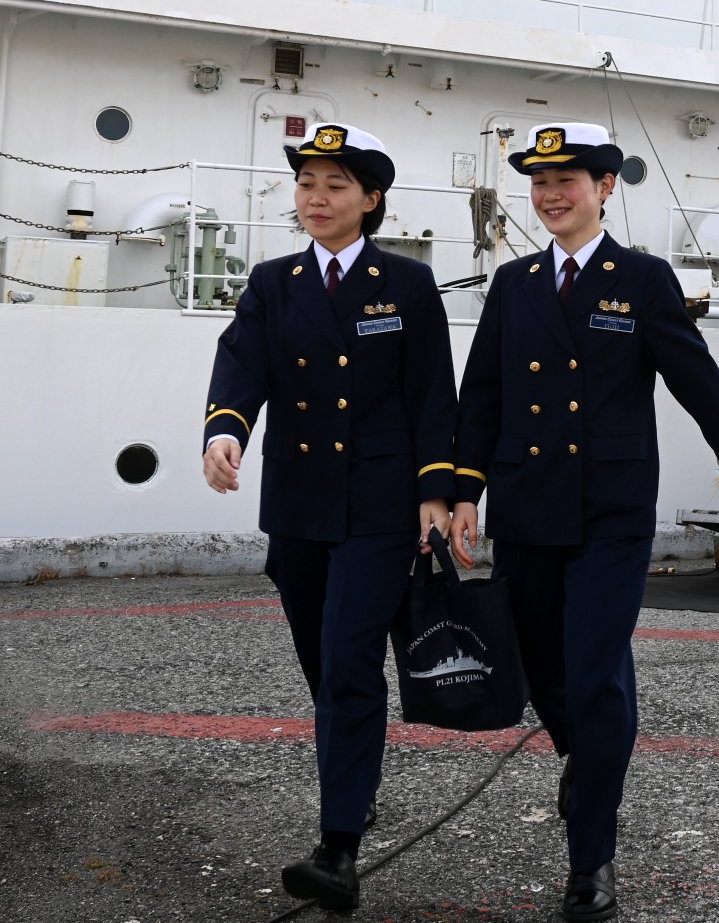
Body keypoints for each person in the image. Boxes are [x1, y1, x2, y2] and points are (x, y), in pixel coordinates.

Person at [450, 122, 719, 923]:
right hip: (528, 504)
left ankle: (591, 861)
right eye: (539, 180)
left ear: (606, 186)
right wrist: (466, 490)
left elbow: (695, 378)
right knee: (536, 664)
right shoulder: (515, 283)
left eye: (568, 178)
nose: (550, 192)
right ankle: (584, 758)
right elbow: (485, 392)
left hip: (609, 510)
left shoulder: (641, 278)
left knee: (596, 670)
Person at [201, 123, 459, 913]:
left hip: (380, 506)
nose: (316, 197)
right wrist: (225, 428)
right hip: (301, 501)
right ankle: (358, 774)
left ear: (371, 199)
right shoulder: (273, 282)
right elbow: (242, 361)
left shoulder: (407, 284)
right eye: (308, 183)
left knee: (349, 661)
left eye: (336, 185)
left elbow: (430, 394)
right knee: (325, 662)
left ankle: (338, 846)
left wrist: (436, 492)